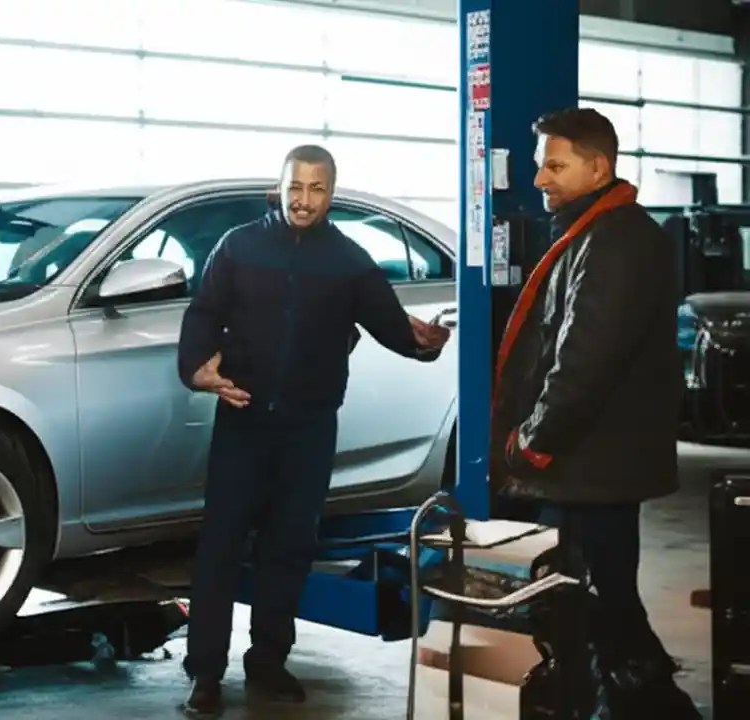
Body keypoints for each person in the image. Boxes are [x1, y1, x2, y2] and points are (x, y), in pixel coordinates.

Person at [175, 144, 450, 717]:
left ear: (331, 193)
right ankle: (205, 671)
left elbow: (391, 326)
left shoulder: (348, 261)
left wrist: (426, 344)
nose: (303, 200)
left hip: (310, 426)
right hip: (244, 419)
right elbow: (203, 314)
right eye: (295, 187)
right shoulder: (239, 247)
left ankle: (268, 660)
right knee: (221, 544)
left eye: (316, 189)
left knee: (289, 545)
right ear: (279, 188)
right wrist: (196, 368)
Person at [490, 107, 701, 718]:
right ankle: (638, 700)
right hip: (590, 466)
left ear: (598, 168)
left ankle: (648, 703)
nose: (540, 179)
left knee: (601, 604)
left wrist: (532, 441)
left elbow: (584, 361)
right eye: (541, 166)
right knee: (598, 603)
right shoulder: (594, 233)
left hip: (590, 467)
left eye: (555, 167)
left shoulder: (616, 242)